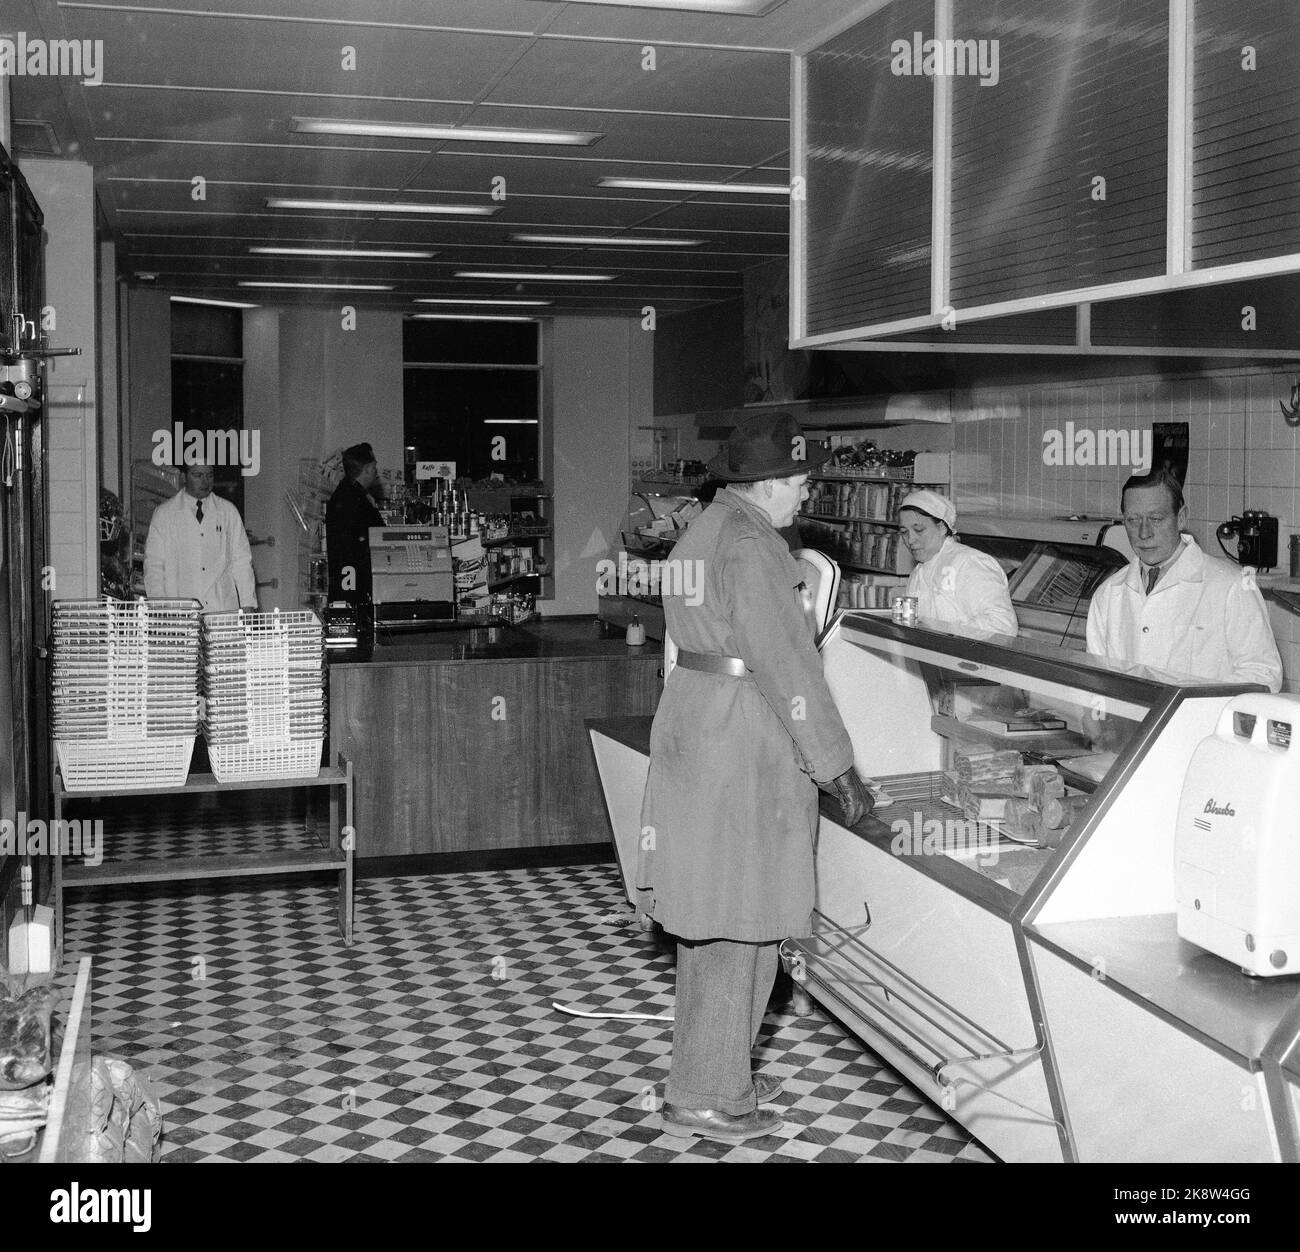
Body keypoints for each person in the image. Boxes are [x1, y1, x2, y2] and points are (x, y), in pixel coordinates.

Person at [637, 411, 871, 1145]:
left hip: (701, 728)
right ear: (767, 484)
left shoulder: (706, 528)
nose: (805, 495)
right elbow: (787, 664)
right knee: (738, 922)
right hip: (741, 745)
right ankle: (707, 1093)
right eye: (800, 482)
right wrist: (837, 766)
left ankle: (714, 1066)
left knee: (718, 918)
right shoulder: (755, 546)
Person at [1086, 469, 1282, 691]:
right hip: (1132, 724)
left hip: (1202, 724)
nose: (1144, 532)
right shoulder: (1108, 593)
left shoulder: (1232, 585)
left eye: (1156, 519)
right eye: (1133, 520)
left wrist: (1194, 707)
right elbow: (1095, 681)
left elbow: (1263, 675)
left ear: (1181, 518)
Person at [898, 489, 1018, 635]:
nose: (910, 540)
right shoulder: (918, 572)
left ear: (941, 528)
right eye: (904, 532)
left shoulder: (969, 563)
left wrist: (946, 633)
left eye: (919, 530)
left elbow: (1003, 625)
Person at [144, 462, 257, 611]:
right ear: (184, 477)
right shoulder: (164, 514)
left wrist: (248, 603)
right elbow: (154, 566)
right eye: (198, 475)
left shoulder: (228, 512)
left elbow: (242, 562)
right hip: (179, 611)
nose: (205, 481)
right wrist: (160, 607)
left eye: (209, 475)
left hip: (221, 609)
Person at [325, 443, 385, 605]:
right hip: (354, 584)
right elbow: (367, 542)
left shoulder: (348, 493)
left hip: (348, 581)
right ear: (367, 469)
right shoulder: (354, 499)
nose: (375, 472)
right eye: (374, 467)